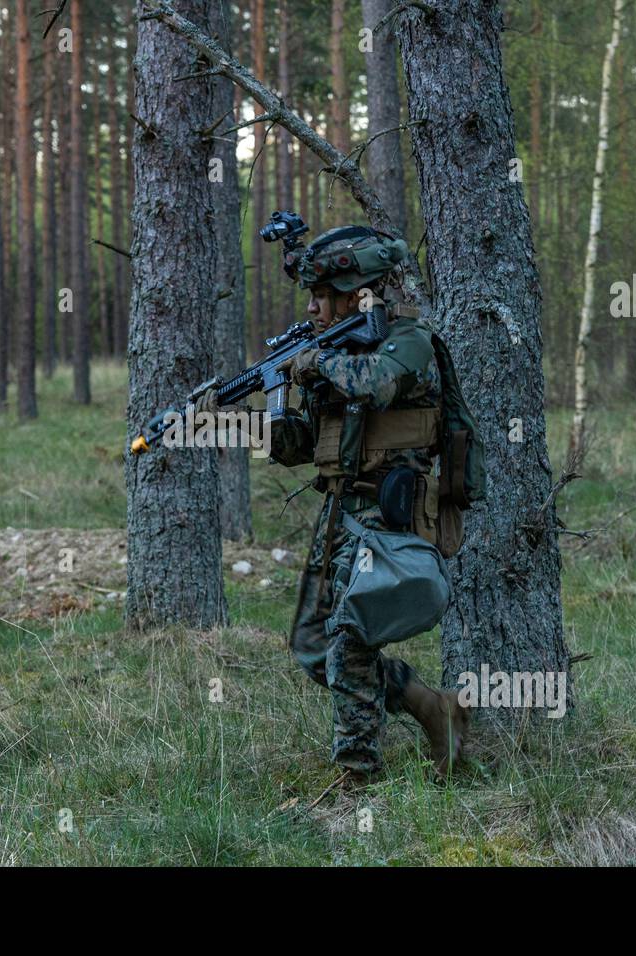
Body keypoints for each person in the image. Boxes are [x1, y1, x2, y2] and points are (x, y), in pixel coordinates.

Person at [206, 225, 470, 781]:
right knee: (311, 646)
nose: (312, 309)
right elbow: (302, 443)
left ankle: (357, 778)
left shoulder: (408, 342)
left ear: (359, 295)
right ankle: (430, 705)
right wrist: (240, 421)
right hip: (340, 517)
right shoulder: (335, 354)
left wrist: (314, 363)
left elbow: (376, 385)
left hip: (389, 516)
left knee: (348, 641)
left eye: (321, 298)